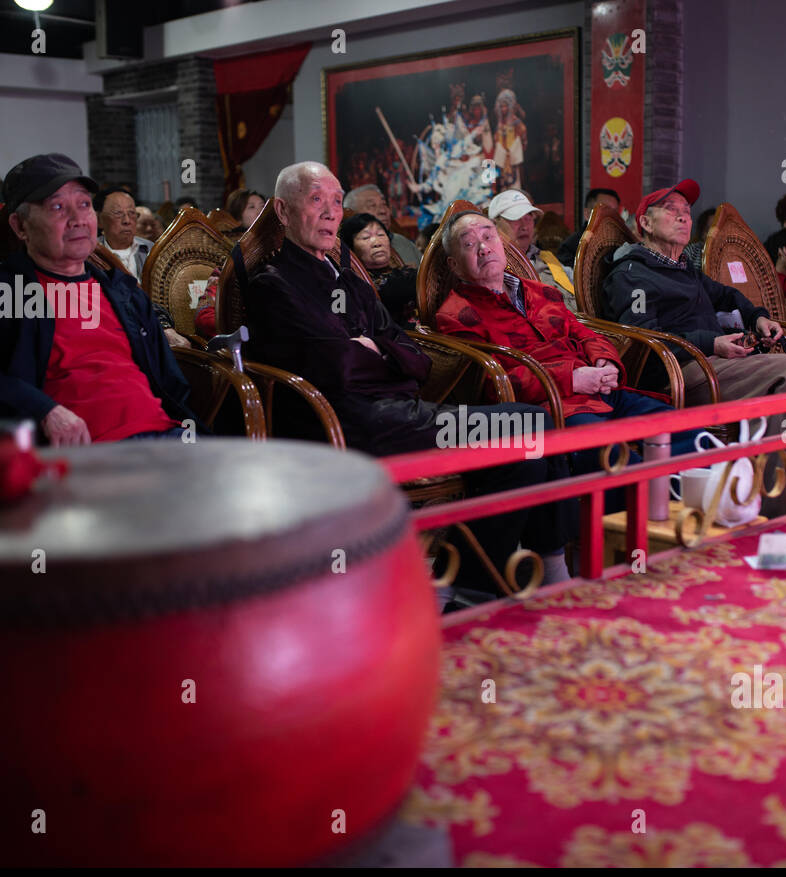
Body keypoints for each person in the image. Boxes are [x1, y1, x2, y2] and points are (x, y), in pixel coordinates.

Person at [243, 161, 573, 592]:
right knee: (529, 428)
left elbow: (418, 360)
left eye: (337, 202)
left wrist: (375, 348)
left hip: (405, 412)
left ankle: (479, 580)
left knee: (531, 431)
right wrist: (381, 354)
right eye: (315, 199)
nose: (329, 212)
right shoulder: (273, 285)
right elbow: (337, 369)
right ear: (284, 212)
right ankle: (480, 583)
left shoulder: (349, 278)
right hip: (351, 423)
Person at [0, 153, 198, 445]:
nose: (78, 219)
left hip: (168, 437)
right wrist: (42, 409)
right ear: (20, 227)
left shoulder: (122, 291)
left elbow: (170, 383)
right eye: (57, 207)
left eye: (83, 204)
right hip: (86, 452)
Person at [601, 178, 786, 495]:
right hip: (677, 373)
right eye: (671, 210)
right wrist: (711, 342)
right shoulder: (633, 275)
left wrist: (757, 317)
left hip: (714, 363)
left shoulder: (683, 270)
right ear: (645, 223)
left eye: (687, 211)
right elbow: (644, 337)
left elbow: (729, 296)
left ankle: (773, 506)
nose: (684, 217)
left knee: (775, 406)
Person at [434, 209, 708, 491]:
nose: (483, 248)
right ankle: (644, 522)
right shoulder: (456, 315)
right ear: (455, 266)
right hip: (552, 408)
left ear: (502, 245)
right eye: (469, 244)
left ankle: (709, 506)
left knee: (683, 431)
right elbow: (491, 385)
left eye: (489, 237)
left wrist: (605, 361)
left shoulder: (541, 292)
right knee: (614, 459)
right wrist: (574, 377)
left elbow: (584, 332)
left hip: (600, 390)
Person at [487, 188, 578, 312]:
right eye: (515, 219)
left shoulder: (546, 257)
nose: (524, 226)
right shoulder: (490, 266)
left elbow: (575, 286)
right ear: (494, 224)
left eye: (528, 218)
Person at [340, 212, 417, 327]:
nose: (377, 243)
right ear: (351, 249)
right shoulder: (360, 283)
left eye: (381, 235)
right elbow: (392, 292)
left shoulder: (404, 272)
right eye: (366, 237)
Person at [342, 183, 420, 265]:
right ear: (352, 215)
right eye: (372, 205)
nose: (383, 211)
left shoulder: (402, 242)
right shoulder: (345, 254)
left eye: (384, 204)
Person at [94, 187, 153, 280]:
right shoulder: (91, 254)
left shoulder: (151, 250)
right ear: (99, 220)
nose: (127, 220)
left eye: (132, 213)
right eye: (118, 213)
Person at [554, 187, 620, 267]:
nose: (611, 217)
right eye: (605, 211)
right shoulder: (571, 248)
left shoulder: (621, 243)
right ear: (587, 214)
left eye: (615, 212)